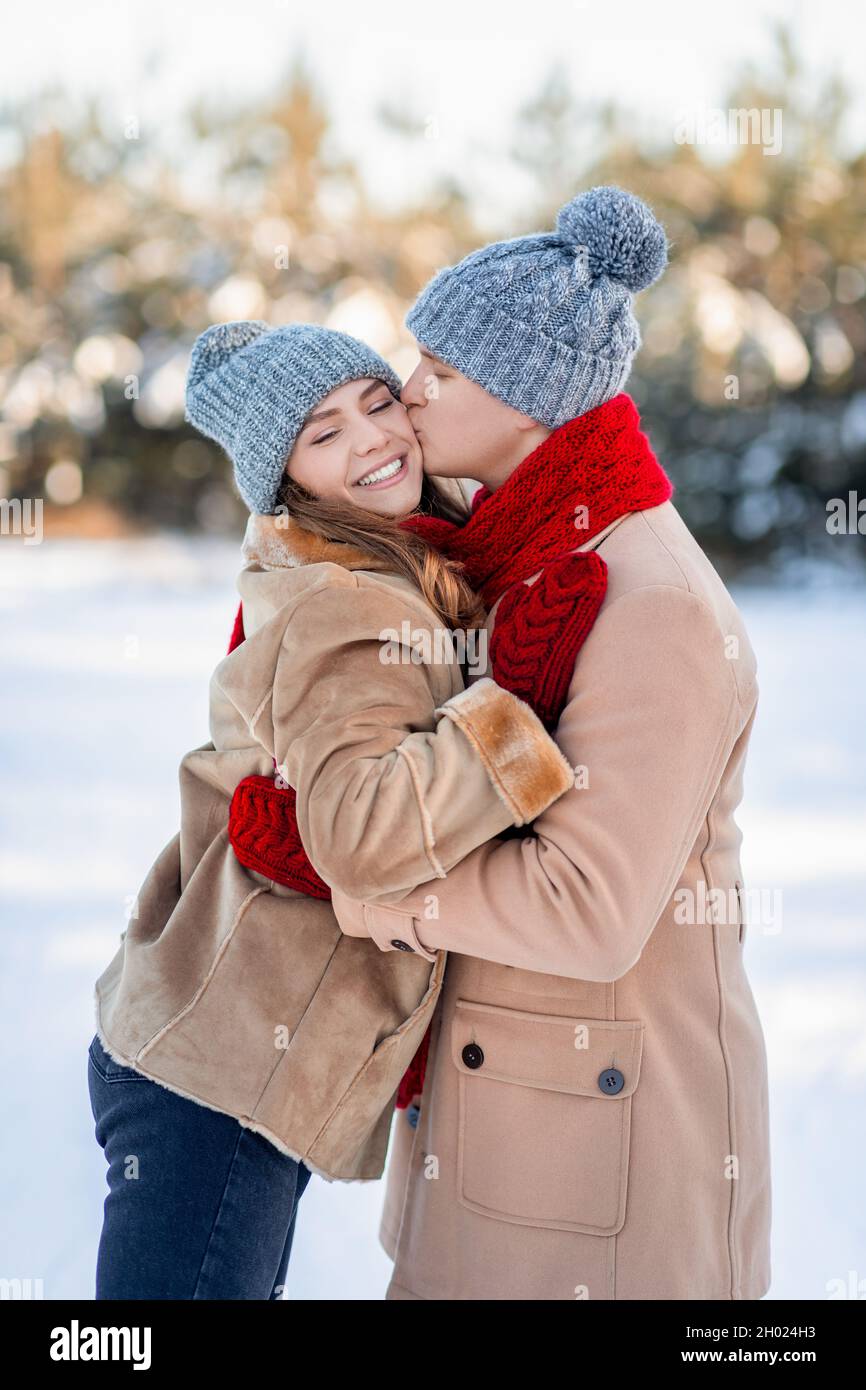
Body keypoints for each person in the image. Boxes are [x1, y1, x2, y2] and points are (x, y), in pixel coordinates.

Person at [229, 185, 773, 1300]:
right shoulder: (508, 558)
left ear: (527, 402)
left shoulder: (647, 597)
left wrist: (363, 889)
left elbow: (585, 905)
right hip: (496, 1145)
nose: (407, 396)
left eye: (438, 374)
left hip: (597, 1180)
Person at [88, 322, 579, 1300]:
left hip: (214, 1055)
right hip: (212, 1077)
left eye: (375, 399)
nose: (368, 439)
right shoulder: (342, 599)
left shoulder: (388, 569)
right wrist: (513, 713)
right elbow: (359, 834)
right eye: (321, 433)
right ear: (291, 482)